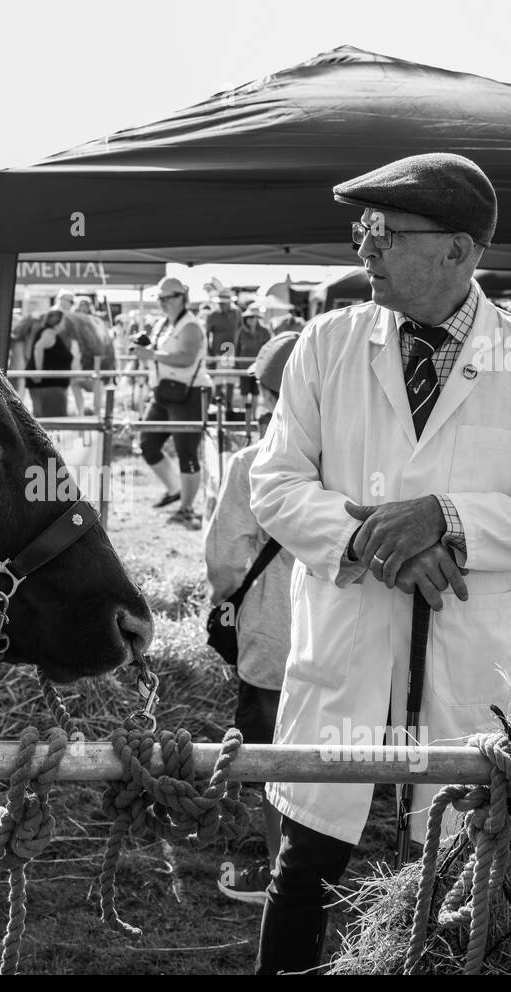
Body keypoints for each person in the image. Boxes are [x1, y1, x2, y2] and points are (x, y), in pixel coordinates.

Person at [249, 152, 511, 974]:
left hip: (464, 669)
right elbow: (275, 481)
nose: (364, 249)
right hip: (345, 656)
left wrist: (447, 518)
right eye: (361, 229)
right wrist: (383, 547)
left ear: (460, 251)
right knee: (303, 875)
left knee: (451, 893)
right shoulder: (326, 344)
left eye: (384, 231)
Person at [204, 331, 299, 902]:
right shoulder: (359, 461)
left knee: (271, 758)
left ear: (264, 391)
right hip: (347, 639)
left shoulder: (251, 463)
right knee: (345, 750)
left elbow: (223, 558)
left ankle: (280, 871)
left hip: (272, 633)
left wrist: (228, 602)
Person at [140, 277, 211, 529]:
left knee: (186, 452)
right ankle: (175, 490)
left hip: (190, 392)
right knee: (147, 444)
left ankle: (187, 508)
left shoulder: (191, 326)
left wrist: (151, 354)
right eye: (159, 298)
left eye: (167, 297)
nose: (162, 302)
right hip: (164, 392)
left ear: (182, 297)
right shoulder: (162, 324)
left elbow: (186, 358)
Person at [28, 307, 78, 417]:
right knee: (50, 424)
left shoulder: (50, 333)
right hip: (49, 387)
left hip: (50, 387)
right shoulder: (49, 332)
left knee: (45, 423)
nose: (65, 323)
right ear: (58, 321)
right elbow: (38, 348)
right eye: (64, 320)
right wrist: (39, 372)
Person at [231, 303, 272, 416]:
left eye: (253, 317)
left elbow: (270, 348)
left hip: (259, 367)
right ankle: (246, 417)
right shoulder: (241, 332)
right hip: (244, 367)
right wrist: (235, 364)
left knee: (255, 393)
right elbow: (236, 348)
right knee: (244, 393)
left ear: (257, 318)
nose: (251, 319)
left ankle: (253, 416)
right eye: (249, 317)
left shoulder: (265, 331)